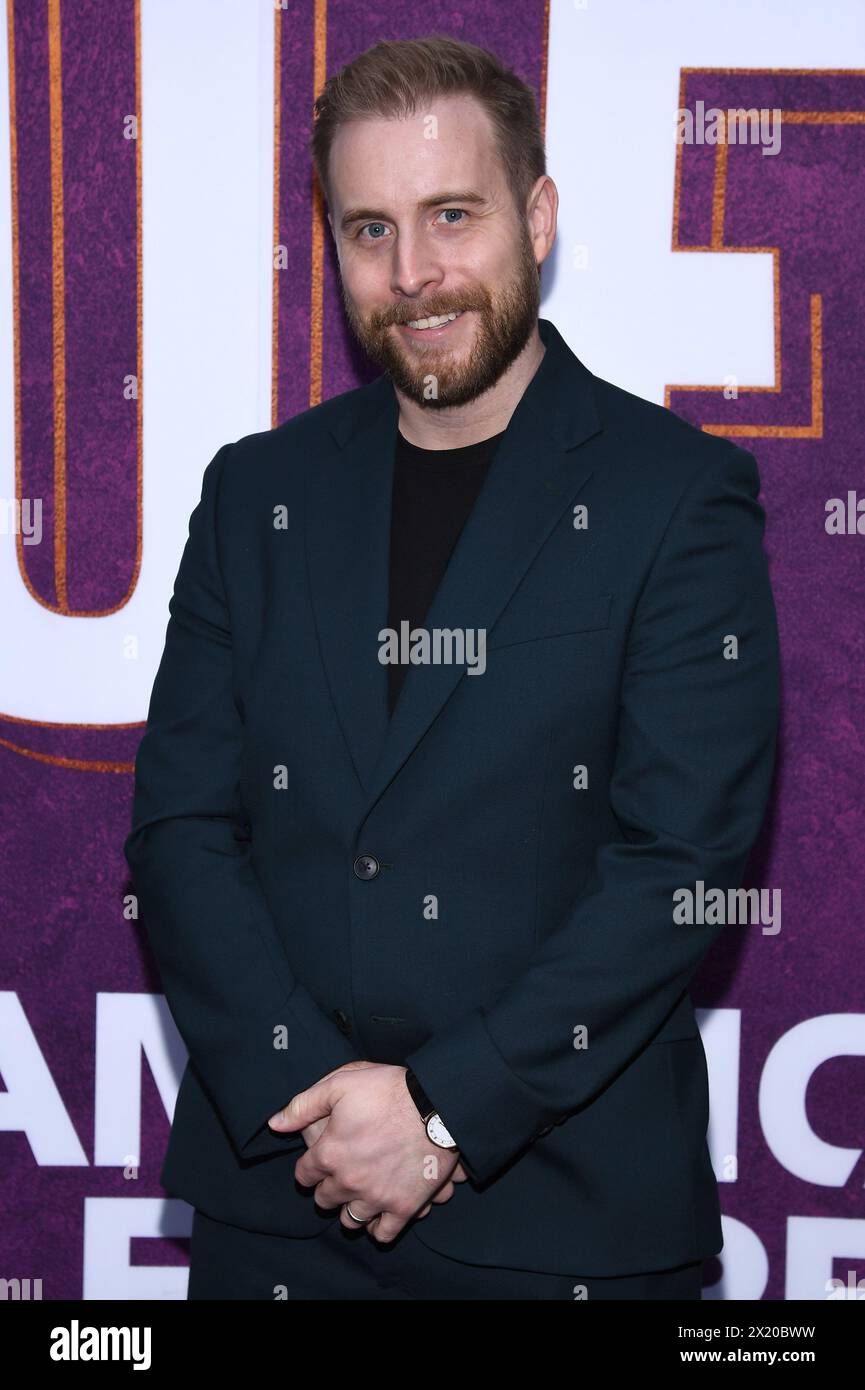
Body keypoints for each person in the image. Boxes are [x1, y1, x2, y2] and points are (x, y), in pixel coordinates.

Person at [124, 34, 780, 1301]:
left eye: (452, 215)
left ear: (535, 216)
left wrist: (440, 1116)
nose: (414, 273)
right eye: (368, 230)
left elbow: (679, 866)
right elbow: (180, 832)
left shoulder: (676, 497)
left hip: (562, 1227)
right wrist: (321, 1110)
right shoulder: (252, 493)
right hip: (278, 1205)